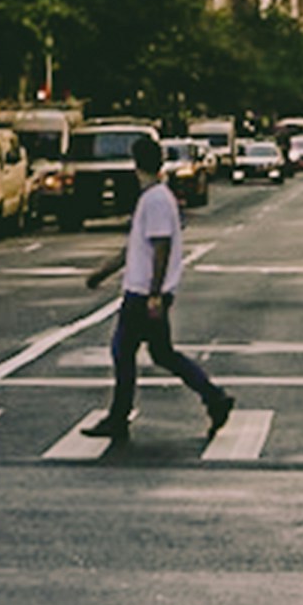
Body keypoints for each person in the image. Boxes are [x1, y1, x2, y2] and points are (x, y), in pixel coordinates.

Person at [89, 132, 232, 451]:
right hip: (145, 290)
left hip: (143, 293)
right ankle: (214, 398)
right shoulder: (158, 196)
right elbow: (136, 247)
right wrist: (103, 272)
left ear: (136, 164)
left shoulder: (154, 199)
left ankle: (119, 417)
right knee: (161, 353)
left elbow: (161, 246)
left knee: (123, 352)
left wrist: (154, 293)